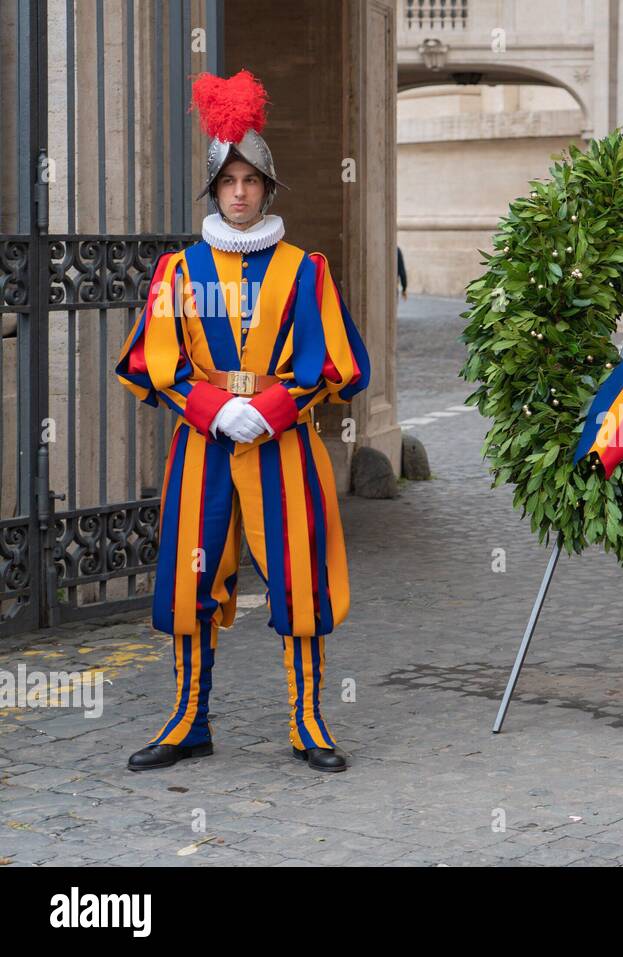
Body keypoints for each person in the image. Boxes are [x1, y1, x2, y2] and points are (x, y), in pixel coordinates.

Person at [116, 69, 370, 773]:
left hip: (283, 447)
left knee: (298, 580)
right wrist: (216, 408)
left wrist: (270, 410)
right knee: (189, 582)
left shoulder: (304, 269)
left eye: (250, 179)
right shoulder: (179, 270)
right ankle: (188, 720)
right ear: (213, 189)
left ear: (267, 187)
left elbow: (333, 363)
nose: (238, 191)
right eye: (227, 180)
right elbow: (156, 361)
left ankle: (308, 720)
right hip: (203, 447)